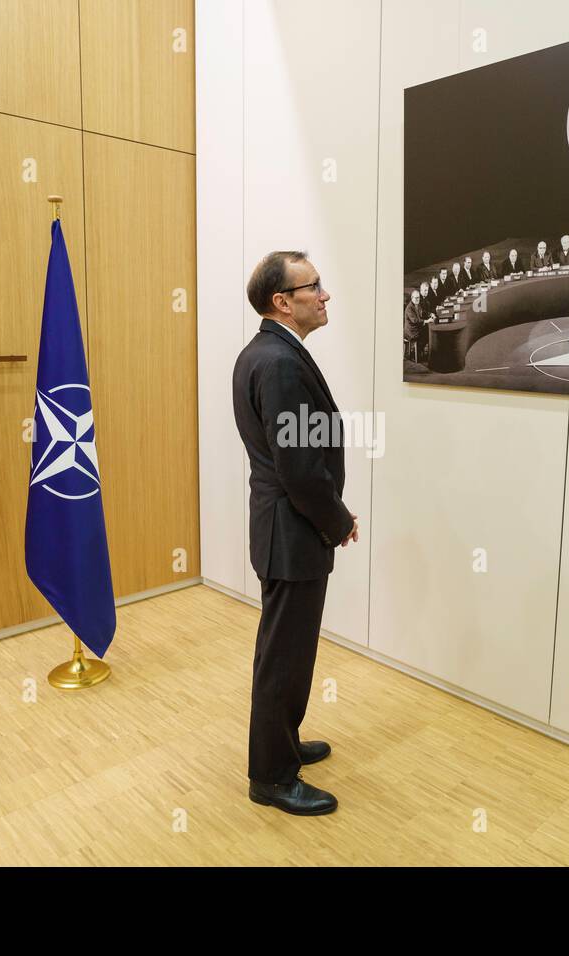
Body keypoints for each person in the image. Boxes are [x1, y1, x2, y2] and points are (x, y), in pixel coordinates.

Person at [233, 250, 359, 816]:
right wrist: (338, 519)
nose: (325, 295)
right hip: (294, 530)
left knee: (287, 650)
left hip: (286, 528)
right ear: (283, 301)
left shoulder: (267, 353)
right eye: (314, 287)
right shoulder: (280, 363)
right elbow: (299, 468)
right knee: (283, 657)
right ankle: (272, 776)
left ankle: (282, 743)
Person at [403, 289, 424, 360]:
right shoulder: (409, 308)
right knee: (425, 335)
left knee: (426, 332)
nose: (417, 299)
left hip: (415, 328)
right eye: (416, 298)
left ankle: (418, 351)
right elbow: (415, 320)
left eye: (418, 297)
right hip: (410, 332)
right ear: (412, 298)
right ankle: (414, 354)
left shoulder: (417, 304)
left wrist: (430, 314)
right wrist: (426, 321)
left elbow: (423, 313)